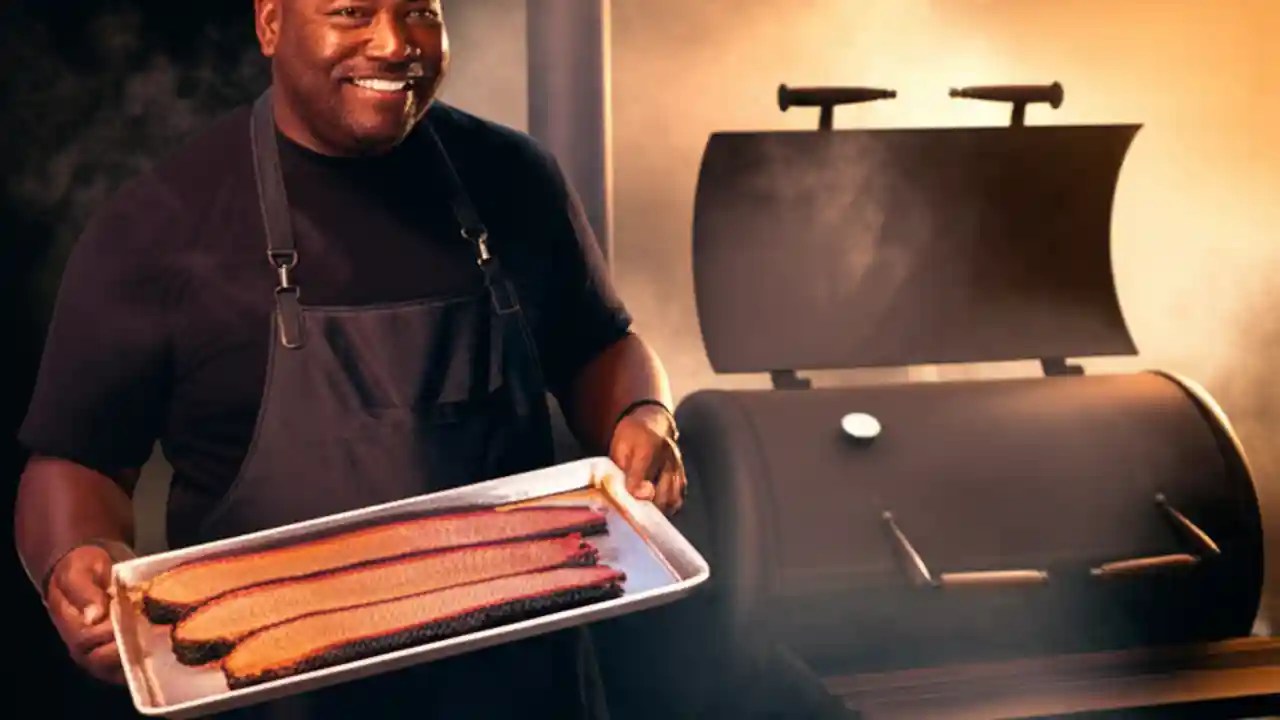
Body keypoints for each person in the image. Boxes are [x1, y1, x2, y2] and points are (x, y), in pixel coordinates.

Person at [12, 0, 687, 717]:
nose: (396, 44)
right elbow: (77, 458)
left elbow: (598, 345)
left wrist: (642, 414)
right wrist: (74, 557)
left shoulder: (514, 177)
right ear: (271, 23)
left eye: (419, 12)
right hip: (271, 692)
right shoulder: (160, 225)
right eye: (352, 12)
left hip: (525, 683)